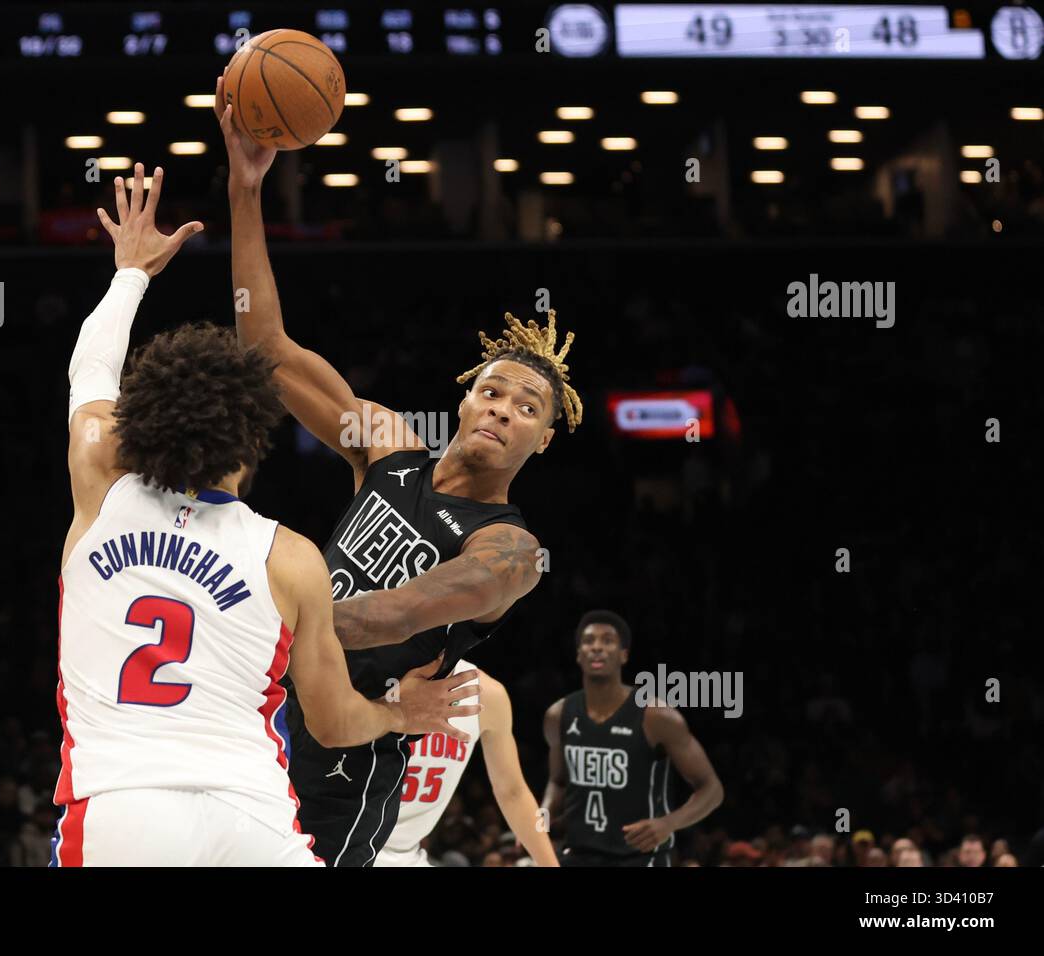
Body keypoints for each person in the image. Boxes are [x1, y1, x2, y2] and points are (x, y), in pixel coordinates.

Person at [52, 164, 478, 866]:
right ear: (252, 441)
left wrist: (130, 272)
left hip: (119, 807)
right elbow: (337, 723)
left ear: (144, 421)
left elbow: (90, 370)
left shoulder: (101, 481)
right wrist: (403, 715)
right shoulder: (290, 557)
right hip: (250, 819)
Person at [217, 69, 582, 866]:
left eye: (528, 409)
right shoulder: (385, 446)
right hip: (263, 707)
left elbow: (400, 613)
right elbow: (265, 350)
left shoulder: (508, 549)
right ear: (465, 397)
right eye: (493, 391)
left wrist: (256, 622)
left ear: (544, 440)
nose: (502, 410)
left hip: (346, 755)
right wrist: (246, 191)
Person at [541, 610, 724, 866]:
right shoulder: (558, 715)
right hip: (578, 855)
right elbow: (557, 782)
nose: (597, 647)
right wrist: (542, 819)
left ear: (624, 654)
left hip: (641, 858)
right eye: (589, 641)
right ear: (579, 654)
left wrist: (668, 823)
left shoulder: (656, 716)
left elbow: (712, 789)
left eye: (607, 640)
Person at [375, 661, 559, 867]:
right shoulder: (371, 671)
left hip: (407, 856)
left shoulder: (487, 694)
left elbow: (512, 792)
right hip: (344, 846)